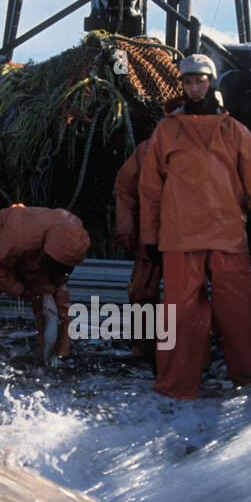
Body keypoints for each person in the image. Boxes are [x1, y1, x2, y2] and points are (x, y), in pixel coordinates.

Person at [138, 54, 251, 400]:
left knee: (239, 313)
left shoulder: (236, 132)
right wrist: (149, 237)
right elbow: (150, 192)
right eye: (189, 82)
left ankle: (246, 380)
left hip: (227, 239)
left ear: (213, 83)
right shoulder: (166, 131)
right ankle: (176, 390)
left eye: (201, 80)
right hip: (179, 240)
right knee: (179, 318)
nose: (195, 87)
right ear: (182, 86)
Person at [0, 204, 90, 365]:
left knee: (58, 304)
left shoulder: (73, 239)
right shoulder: (18, 238)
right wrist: (20, 290)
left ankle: (58, 356)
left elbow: (60, 271)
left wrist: (54, 282)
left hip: (39, 256)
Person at [111, 137, 162, 362]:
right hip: (152, 232)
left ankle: (180, 355)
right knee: (143, 291)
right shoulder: (148, 148)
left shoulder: (217, 143)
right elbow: (124, 190)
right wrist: (125, 230)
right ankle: (145, 351)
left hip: (193, 235)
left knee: (187, 294)